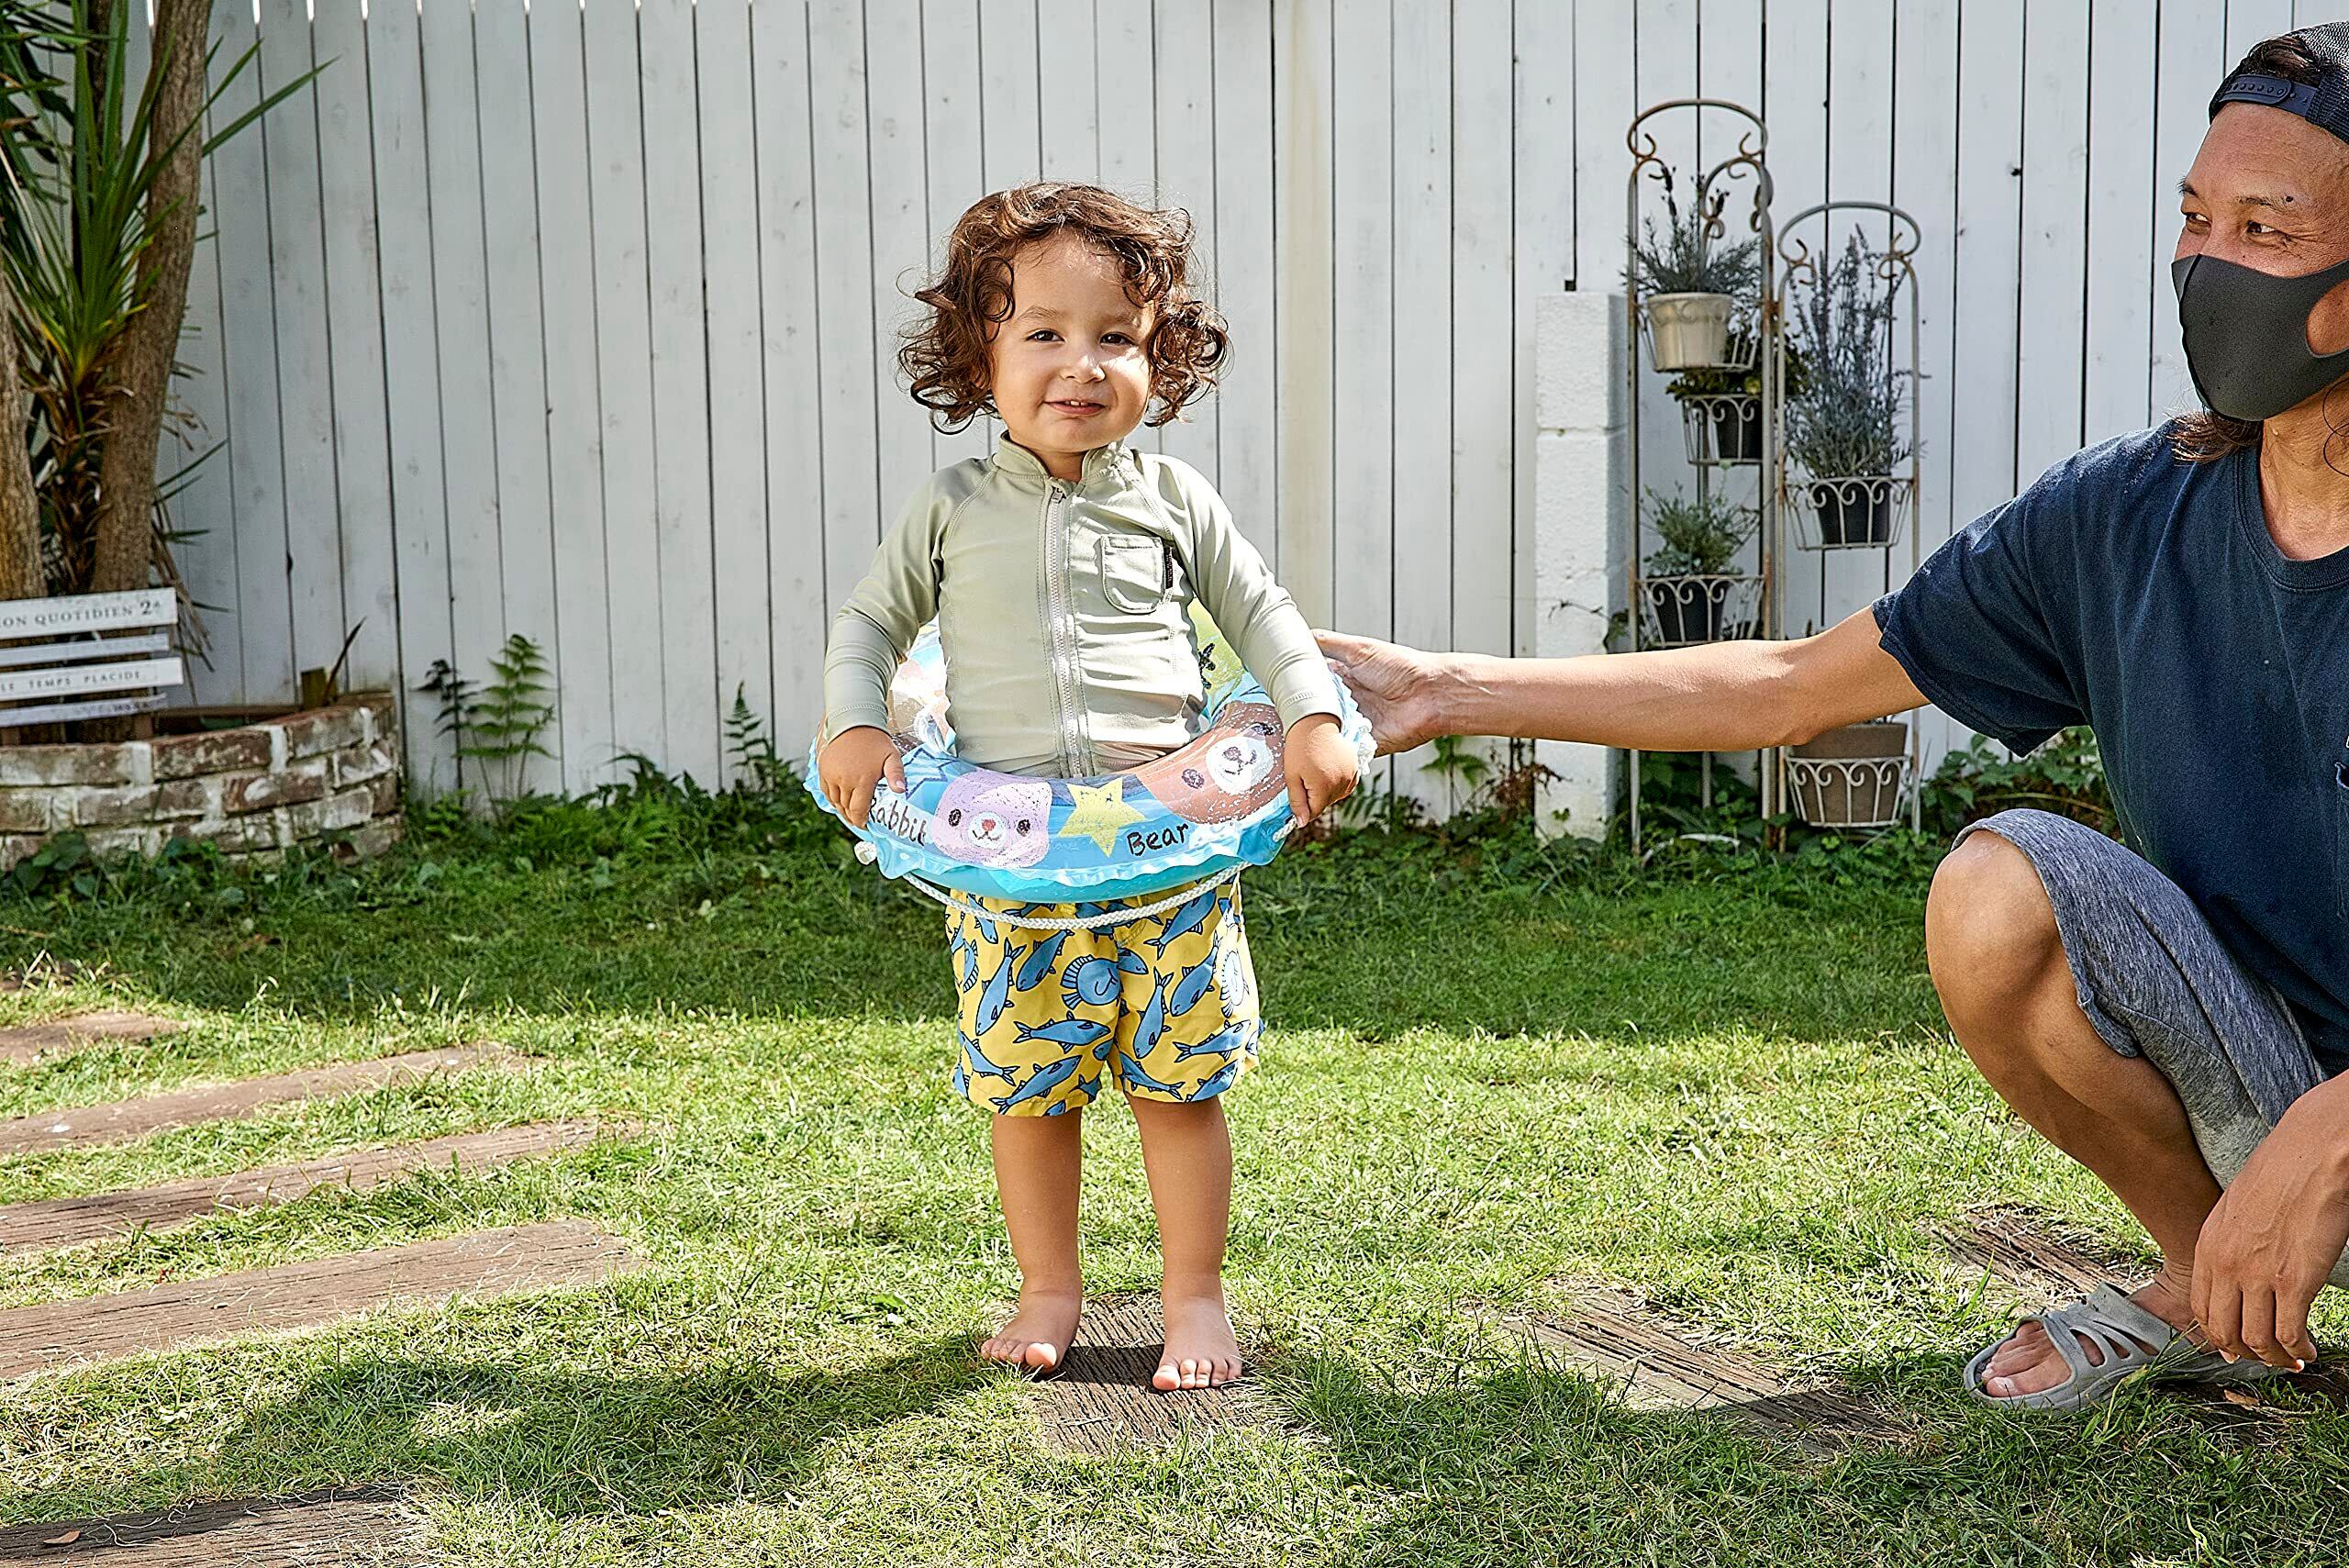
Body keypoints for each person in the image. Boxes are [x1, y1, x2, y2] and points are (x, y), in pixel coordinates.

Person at [1317, 25, 2349, 1410]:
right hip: (2270, 1073)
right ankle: (2206, 1283)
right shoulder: (2123, 520)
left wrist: (2337, 1132)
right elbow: (1795, 684)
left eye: (2267, 230)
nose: (2210, 264)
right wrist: (1440, 690)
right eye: (2195, 218)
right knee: (2000, 890)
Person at [817, 183, 1358, 1390]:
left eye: (1117, 336)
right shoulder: (951, 509)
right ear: (982, 357)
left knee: (1179, 1090)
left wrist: (1314, 714)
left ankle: (1195, 1297)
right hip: (1011, 872)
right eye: (1044, 333)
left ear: (1161, 359)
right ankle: (1048, 1287)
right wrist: (855, 721)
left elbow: (1265, 616)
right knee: (1029, 1094)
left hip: (1167, 861)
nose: (1082, 364)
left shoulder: (1172, 501)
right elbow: (869, 626)